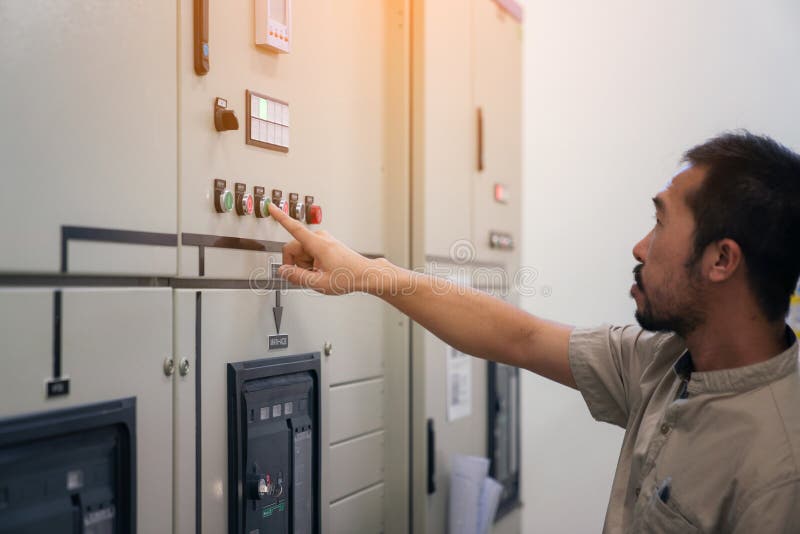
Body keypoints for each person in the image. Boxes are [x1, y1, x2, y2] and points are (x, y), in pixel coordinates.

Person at [267, 131, 800, 533]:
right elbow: (516, 337)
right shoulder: (663, 364)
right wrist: (367, 272)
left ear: (721, 260)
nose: (641, 247)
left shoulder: (779, 469)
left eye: (660, 223)